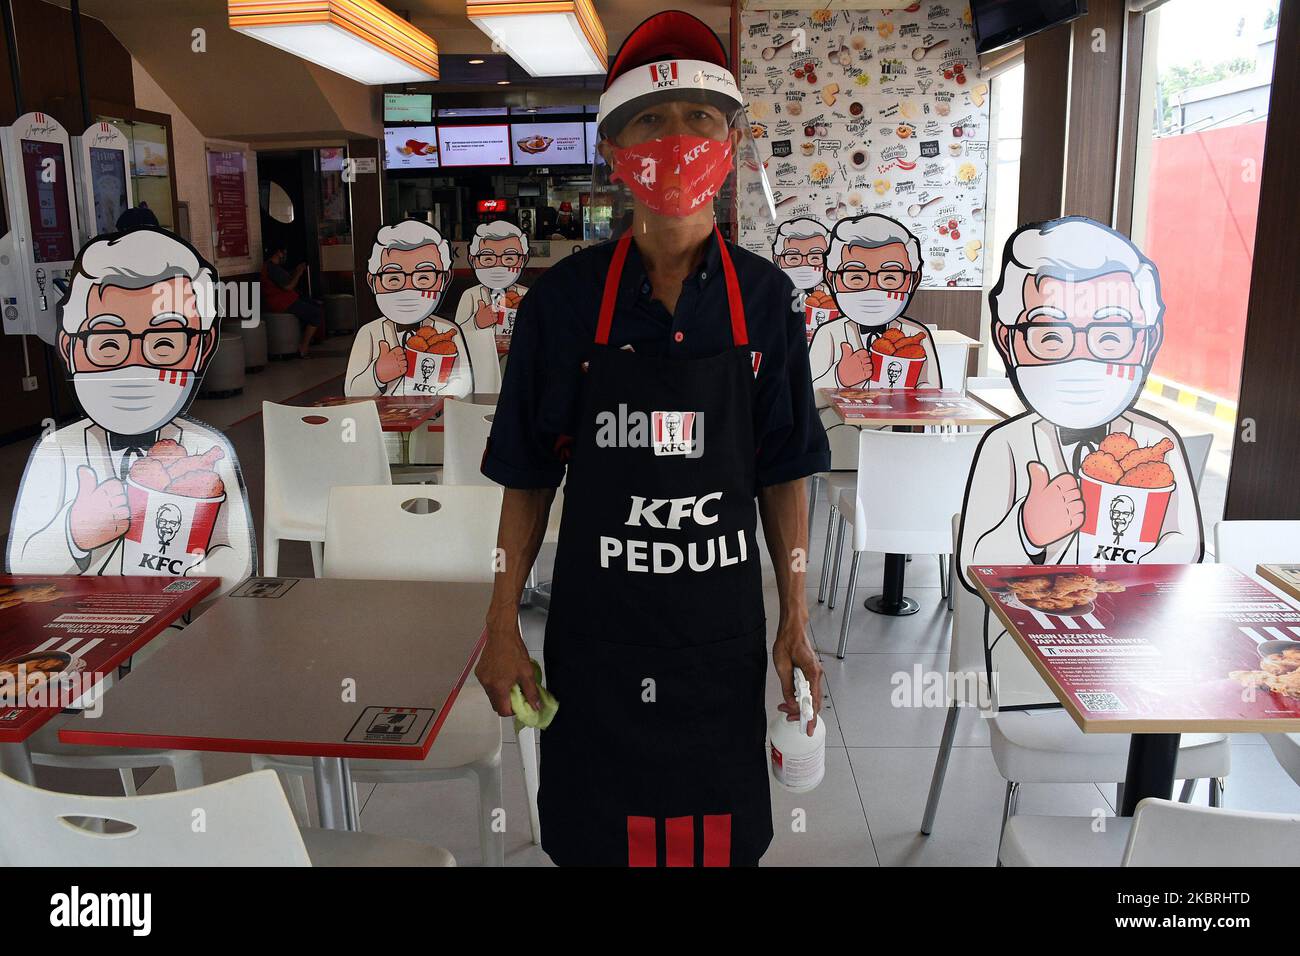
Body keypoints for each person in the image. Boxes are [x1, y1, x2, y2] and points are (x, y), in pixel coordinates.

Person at [474, 10, 828, 868]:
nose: (677, 139)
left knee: (715, 840)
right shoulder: (561, 305)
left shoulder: (767, 301)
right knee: (599, 839)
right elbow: (528, 476)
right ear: (614, 149)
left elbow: (784, 471)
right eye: (650, 121)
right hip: (596, 638)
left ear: (732, 142)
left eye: (701, 117)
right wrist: (498, 618)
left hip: (721, 638)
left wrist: (798, 617)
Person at [7, 227, 254, 593]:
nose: (135, 366)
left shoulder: (207, 451)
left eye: (165, 343)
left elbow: (237, 556)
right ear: (70, 347)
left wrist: (186, 583)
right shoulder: (58, 451)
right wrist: (76, 533)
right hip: (81, 624)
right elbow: (21, 563)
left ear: (202, 347)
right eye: (108, 344)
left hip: (178, 626)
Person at [957, 216, 1202, 581]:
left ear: (1146, 341)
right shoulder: (1006, 444)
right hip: (1023, 620)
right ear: (1009, 340)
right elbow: (971, 564)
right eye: (1051, 337)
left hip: (1129, 622)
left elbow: (1188, 545)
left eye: (1110, 337)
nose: (1080, 357)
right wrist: (1027, 532)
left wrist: (1135, 570)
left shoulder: (1157, 444)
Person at [808, 213, 940, 393]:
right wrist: (839, 377)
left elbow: (933, 391)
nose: (873, 288)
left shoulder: (917, 335)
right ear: (832, 279)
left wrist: (920, 394)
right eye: (855, 277)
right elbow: (806, 397)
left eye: (890, 277)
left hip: (895, 421)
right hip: (836, 421)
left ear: (913, 280)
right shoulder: (829, 333)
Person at [344, 220, 471, 398]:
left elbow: (465, 385)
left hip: (433, 420)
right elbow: (351, 392)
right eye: (393, 278)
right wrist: (377, 374)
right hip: (382, 422)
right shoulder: (369, 333)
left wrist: (443, 394)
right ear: (372, 281)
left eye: (424, 278)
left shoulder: (448, 332)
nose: (408, 288)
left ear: (443, 279)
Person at [453, 220, 530, 392]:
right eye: (488, 258)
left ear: (522, 259)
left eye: (509, 258)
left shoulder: (526, 295)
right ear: (473, 260)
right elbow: (456, 338)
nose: (499, 264)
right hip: (482, 366)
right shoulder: (471, 295)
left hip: (517, 364)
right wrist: (476, 323)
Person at [261, 245, 323, 358]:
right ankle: (303, 347)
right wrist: (298, 272)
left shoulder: (271, 267)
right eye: (283, 252)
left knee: (315, 305)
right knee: (316, 313)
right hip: (281, 303)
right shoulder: (272, 268)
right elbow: (288, 286)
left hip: (285, 300)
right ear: (278, 252)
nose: (284, 255)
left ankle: (306, 340)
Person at [772, 216, 831, 321]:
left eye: (815, 257)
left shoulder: (834, 296)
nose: (804, 264)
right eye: (793, 258)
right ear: (777, 259)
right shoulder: (771, 295)